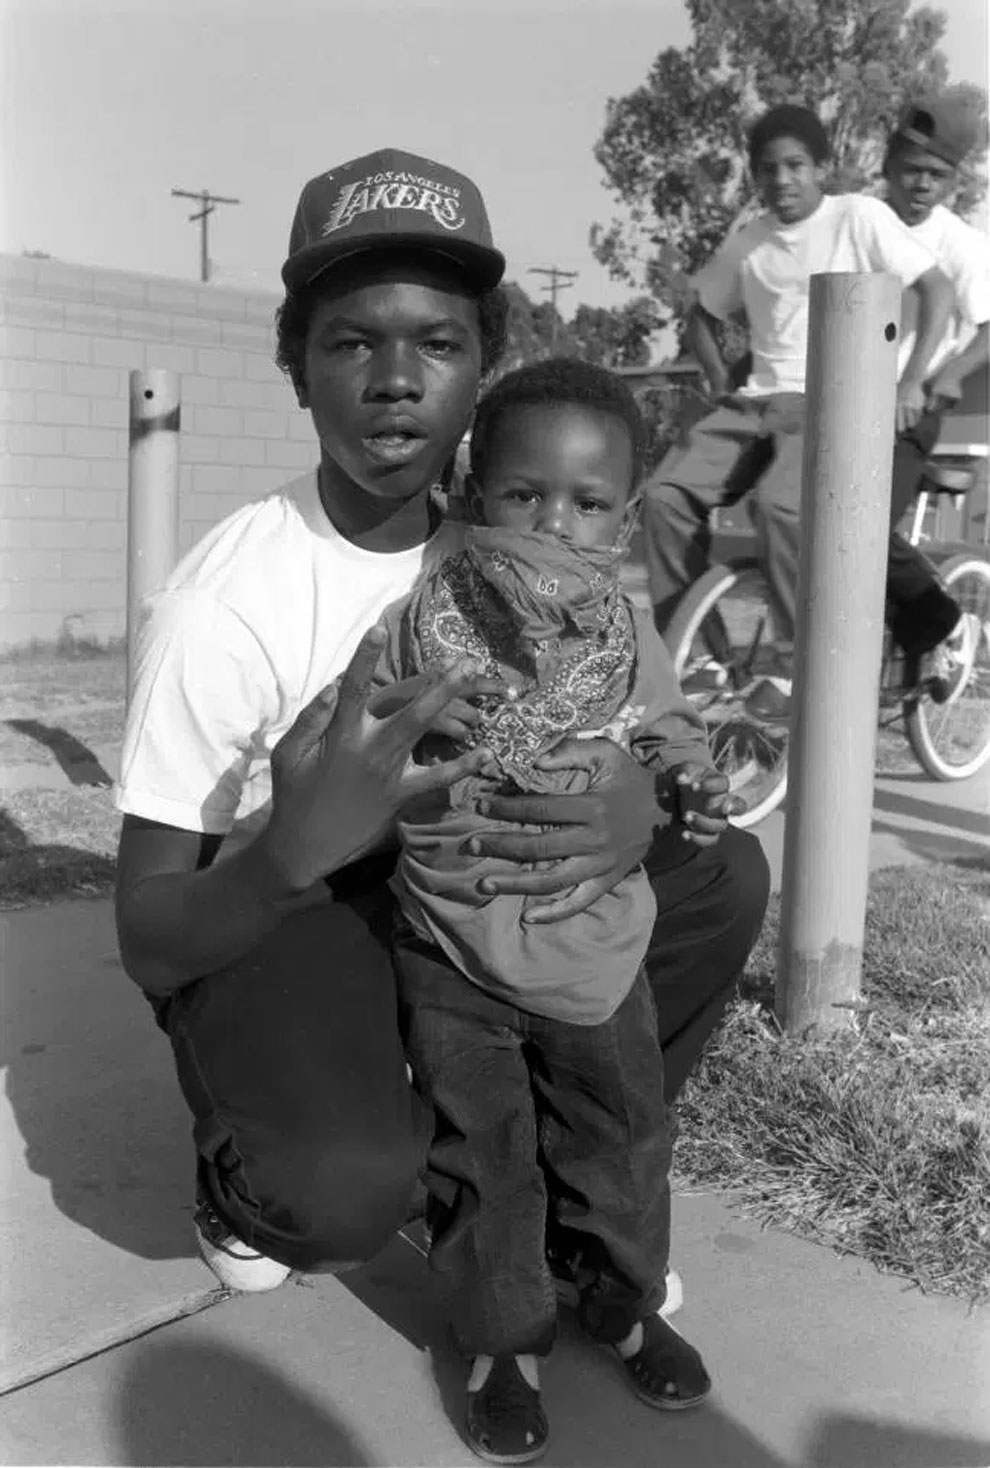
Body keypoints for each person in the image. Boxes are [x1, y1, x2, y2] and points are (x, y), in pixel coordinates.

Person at [113, 146, 769, 1375]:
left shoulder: (518, 533)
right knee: (349, 1192)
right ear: (294, 365)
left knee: (720, 874)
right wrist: (289, 849)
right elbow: (148, 937)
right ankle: (248, 1169)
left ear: (485, 370)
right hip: (297, 900)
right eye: (352, 342)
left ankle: (566, 1168)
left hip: (460, 878)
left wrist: (639, 802)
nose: (397, 381)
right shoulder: (228, 601)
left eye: (440, 343)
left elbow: (629, 700)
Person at [372, 359, 730, 1461]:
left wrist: (691, 779)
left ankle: (622, 1302)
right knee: (484, 1152)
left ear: (623, 517)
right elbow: (367, 738)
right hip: (452, 935)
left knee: (618, 1139)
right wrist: (415, 728)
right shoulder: (425, 615)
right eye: (525, 495)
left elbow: (667, 727)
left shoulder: (627, 630)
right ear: (478, 494)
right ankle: (504, 1340)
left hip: (593, 940)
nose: (553, 521)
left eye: (585, 501)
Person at [641, 103, 954, 714]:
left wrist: (911, 382)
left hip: (829, 398)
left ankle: (794, 658)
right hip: (754, 401)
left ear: (823, 168)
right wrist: (714, 377)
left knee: (785, 505)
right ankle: (702, 655)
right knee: (663, 496)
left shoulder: (857, 216)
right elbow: (701, 314)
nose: (781, 181)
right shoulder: (749, 242)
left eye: (795, 166)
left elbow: (937, 291)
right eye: (767, 169)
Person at [879, 95, 989, 687]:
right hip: (846, 397)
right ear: (889, 165)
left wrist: (943, 375)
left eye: (938, 175)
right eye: (912, 169)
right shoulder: (862, 223)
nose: (922, 184)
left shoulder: (963, 244)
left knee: (863, 530)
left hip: (913, 411)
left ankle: (943, 622)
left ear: (952, 181)